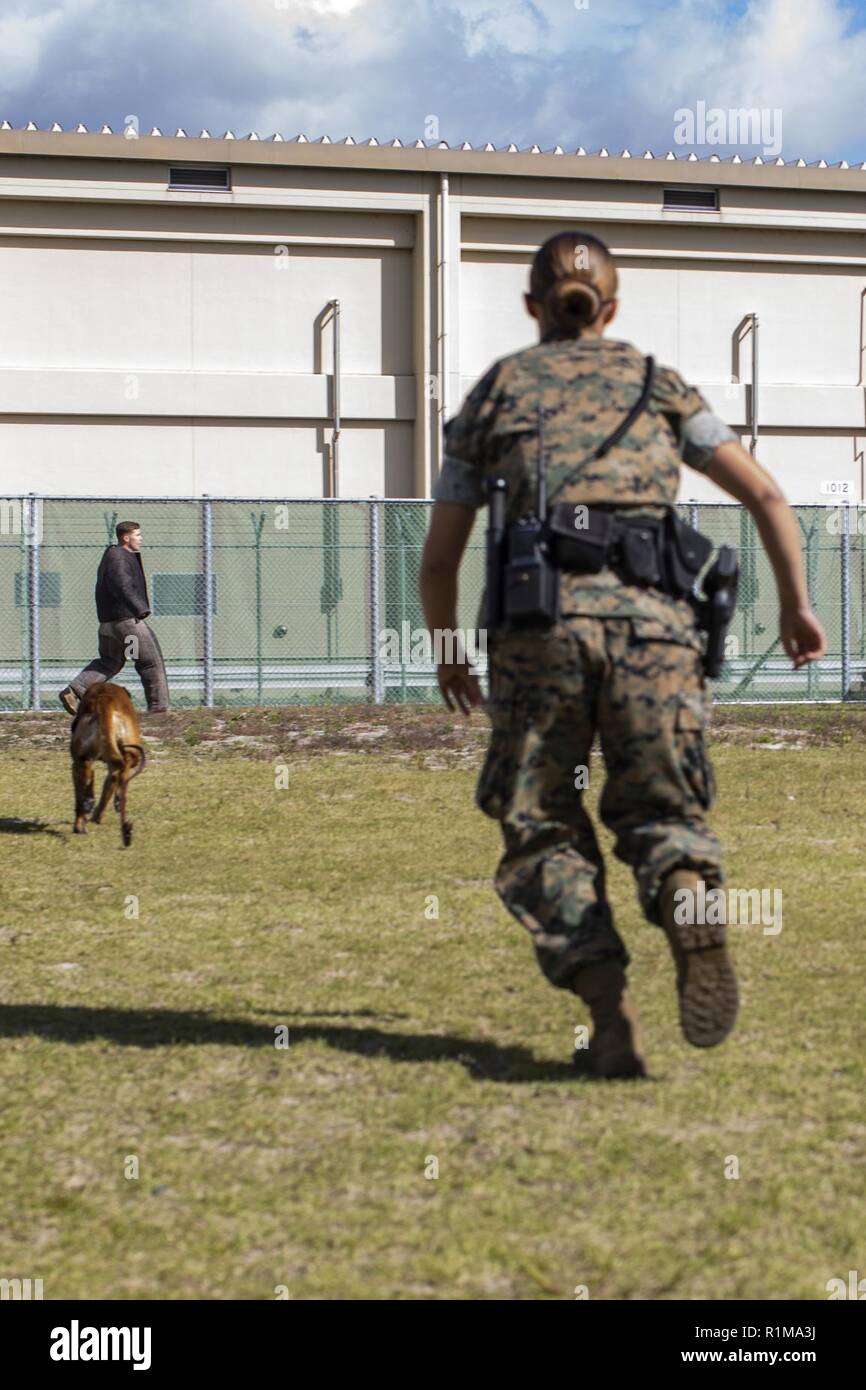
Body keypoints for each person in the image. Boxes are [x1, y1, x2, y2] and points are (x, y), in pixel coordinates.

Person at [419, 230, 826, 1079]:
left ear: (533, 307)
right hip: (657, 636)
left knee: (542, 825)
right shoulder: (657, 383)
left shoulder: (497, 391)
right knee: (661, 811)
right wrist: (797, 604)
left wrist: (450, 648)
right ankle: (684, 896)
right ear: (612, 305)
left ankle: (612, 1023)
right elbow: (765, 493)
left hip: (539, 636)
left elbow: (442, 556)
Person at [59, 520, 170, 716]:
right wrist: (140, 608)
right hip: (126, 625)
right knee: (149, 661)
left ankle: (75, 689)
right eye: (138, 535)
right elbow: (122, 585)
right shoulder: (119, 557)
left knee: (111, 661)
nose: (141, 539)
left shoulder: (115, 556)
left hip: (109, 626)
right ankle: (159, 709)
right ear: (126, 538)